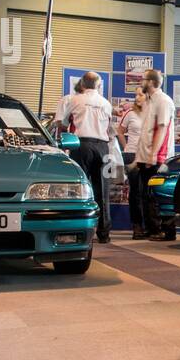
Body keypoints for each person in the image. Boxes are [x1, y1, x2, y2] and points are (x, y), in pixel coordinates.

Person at [64, 72, 113, 244]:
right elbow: (109, 127)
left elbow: (62, 123)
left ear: (82, 84)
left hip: (81, 145)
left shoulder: (74, 100)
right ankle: (104, 233)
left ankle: (78, 228)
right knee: (103, 190)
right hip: (103, 147)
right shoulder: (106, 103)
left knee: (78, 188)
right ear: (98, 85)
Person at [134, 69, 174, 241]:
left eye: (143, 79)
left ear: (150, 82)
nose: (141, 81)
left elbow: (162, 128)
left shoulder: (163, 101)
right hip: (146, 156)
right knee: (146, 195)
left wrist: (153, 155)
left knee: (157, 195)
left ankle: (164, 230)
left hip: (157, 157)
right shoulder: (150, 101)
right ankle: (152, 229)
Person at [118, 92, 147, 239]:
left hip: (147, 156)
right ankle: (137, 227)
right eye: (136, 95)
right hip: (132, 154)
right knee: (135, 192)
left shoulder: (153, 113)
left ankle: (149, 226)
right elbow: (120, 132)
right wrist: (125, 147)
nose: (137, 97)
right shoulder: (130, 113)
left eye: (141, 94)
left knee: (147, 192)